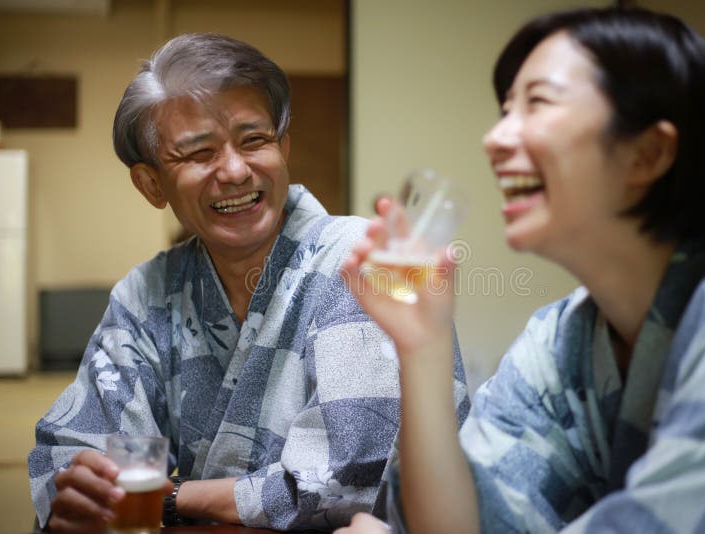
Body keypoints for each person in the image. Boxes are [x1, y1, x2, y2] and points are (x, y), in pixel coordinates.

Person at [338, 6, 705, 534]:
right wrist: (423, 348)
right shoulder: (561, 336)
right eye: (505, 108)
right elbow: (464, 523)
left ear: (647, 154)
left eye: (537, 102)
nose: (495, 138)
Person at [28, 33, 470, 533]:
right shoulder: (147, 293)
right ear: (151, 184)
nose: (236, 171)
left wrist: (169, 496)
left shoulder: (359, 261)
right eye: (200, 153)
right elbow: (68, 454)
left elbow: (343, 480)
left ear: (284, 147)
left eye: (254, 140)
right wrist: (80, 493)